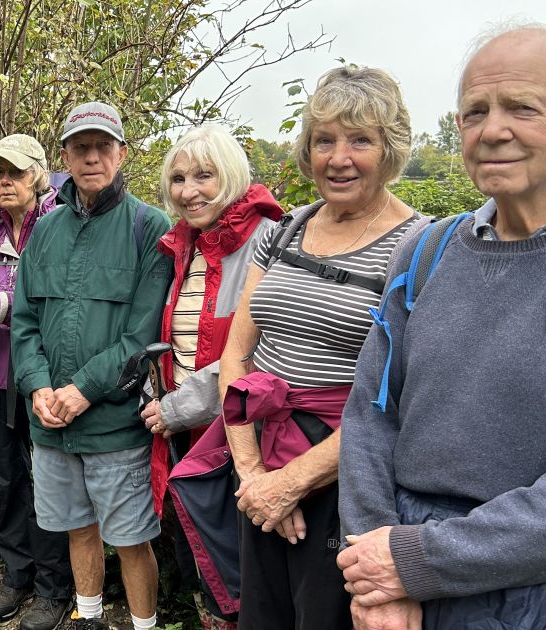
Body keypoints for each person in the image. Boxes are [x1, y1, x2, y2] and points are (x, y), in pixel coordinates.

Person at [338, 23, 546, 630]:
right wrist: (376, 571)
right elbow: (370, 415)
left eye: (523, 107)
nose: (492, 130)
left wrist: (417, 563)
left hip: (535, 591)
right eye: (475, 112)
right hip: (397, 564)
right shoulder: (428, 251)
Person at [216, 66, 420, 630]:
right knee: (261, 616)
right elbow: (236, 355)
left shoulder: (419, 247)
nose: (338, 158)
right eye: (324, 140)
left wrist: (293, 482)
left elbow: (404, 401)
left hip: (344, 478)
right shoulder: (284, 229)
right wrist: (254, 473)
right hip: (258, 455)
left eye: (361, 140)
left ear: (390, 149)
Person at [11, 102, 172, 630]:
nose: (92, 157)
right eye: (81, 148)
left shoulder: (149, 226)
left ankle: (144, 625)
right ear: (65, 157)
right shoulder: (44, 231)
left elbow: (143, 334)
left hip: (114, 423)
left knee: (130, 539)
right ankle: (89, 617)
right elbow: (24, 321)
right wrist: (37, 386)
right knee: (78, 529)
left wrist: (82, 390)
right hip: (51, 423)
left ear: (122, 153)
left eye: (103, 146)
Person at [138, 124, 283, 629]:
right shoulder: (187, 246)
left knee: (245, 567)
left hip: (241, 433)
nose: (189, 190)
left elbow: (260, 350)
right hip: (190, 430)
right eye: (178, 179)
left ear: (232, 176)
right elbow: (179, 343)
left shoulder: (265, 241)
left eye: (204, 176)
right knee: (208, 563)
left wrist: (177, 408)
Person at [0, 134, 73, 630]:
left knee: (48, 480)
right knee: (6, 477)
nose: (5, 181)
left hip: (46, 375)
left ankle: (54, 586)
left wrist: (6, 303)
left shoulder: (60, 222)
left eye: (16, 172)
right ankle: (16, 573)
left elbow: (64, 294)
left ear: (39, 175)